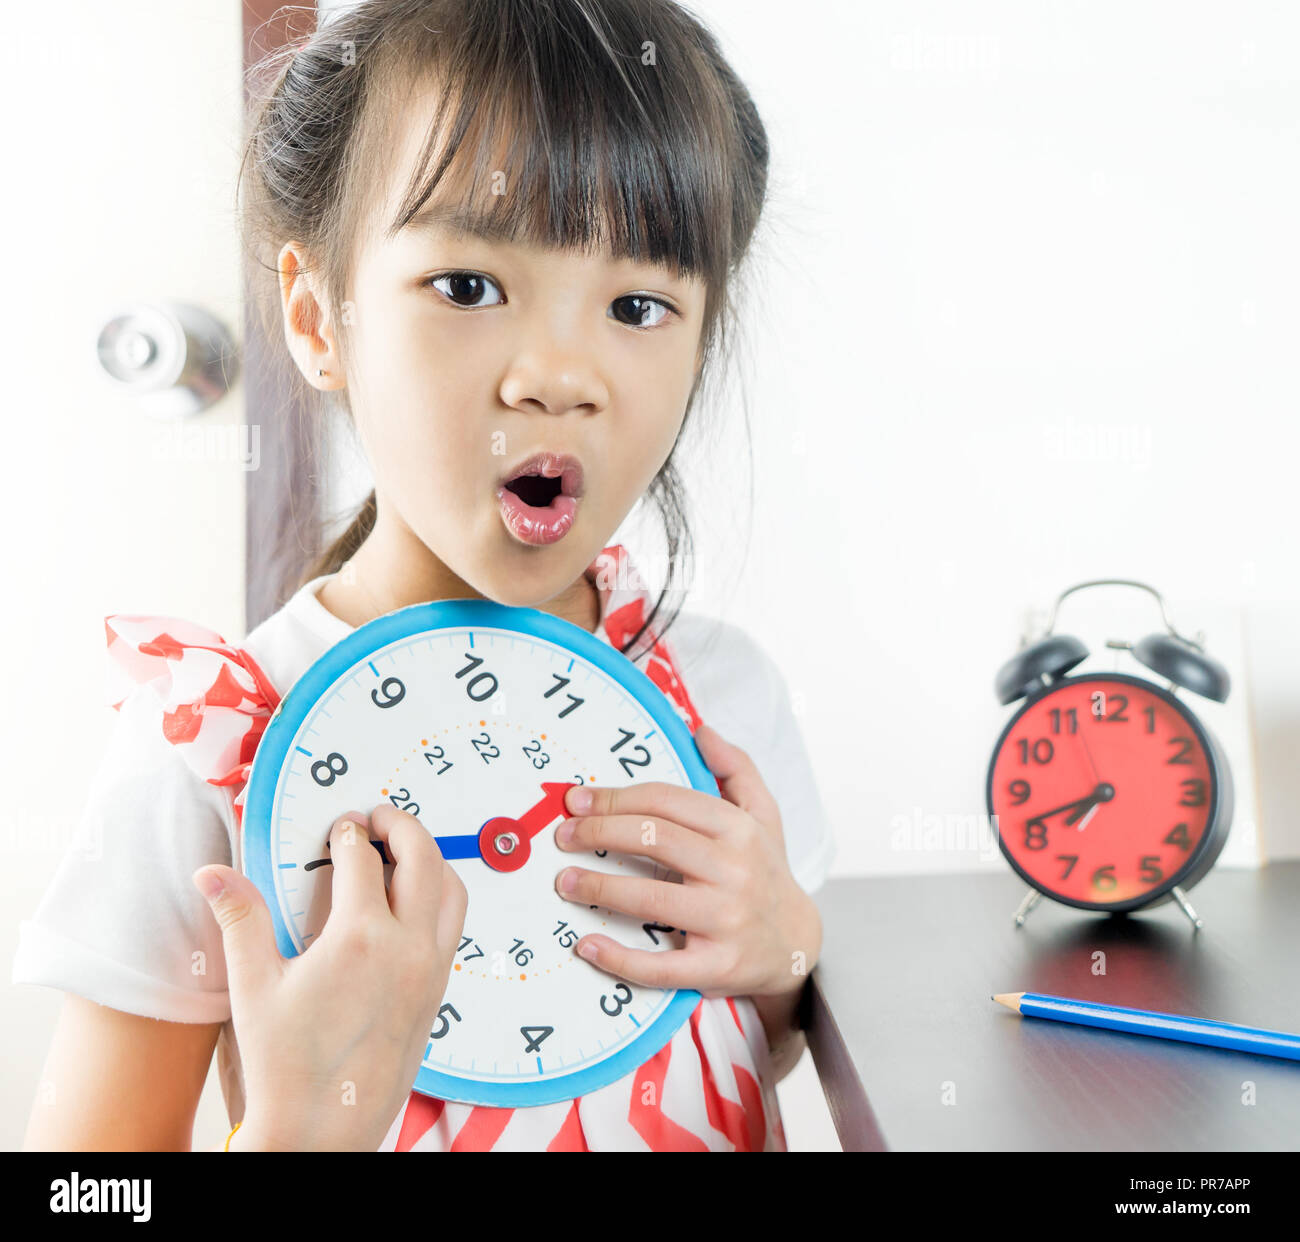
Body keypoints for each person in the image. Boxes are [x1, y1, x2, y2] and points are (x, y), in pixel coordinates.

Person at [14, 0, 836, 1151]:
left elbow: (765, 1042)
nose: (559, 375)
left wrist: (785, 946)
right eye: (466, 286)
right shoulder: (206, 748)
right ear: (317, 317)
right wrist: (297, 1124)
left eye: (639, 305)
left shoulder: (725, 698)